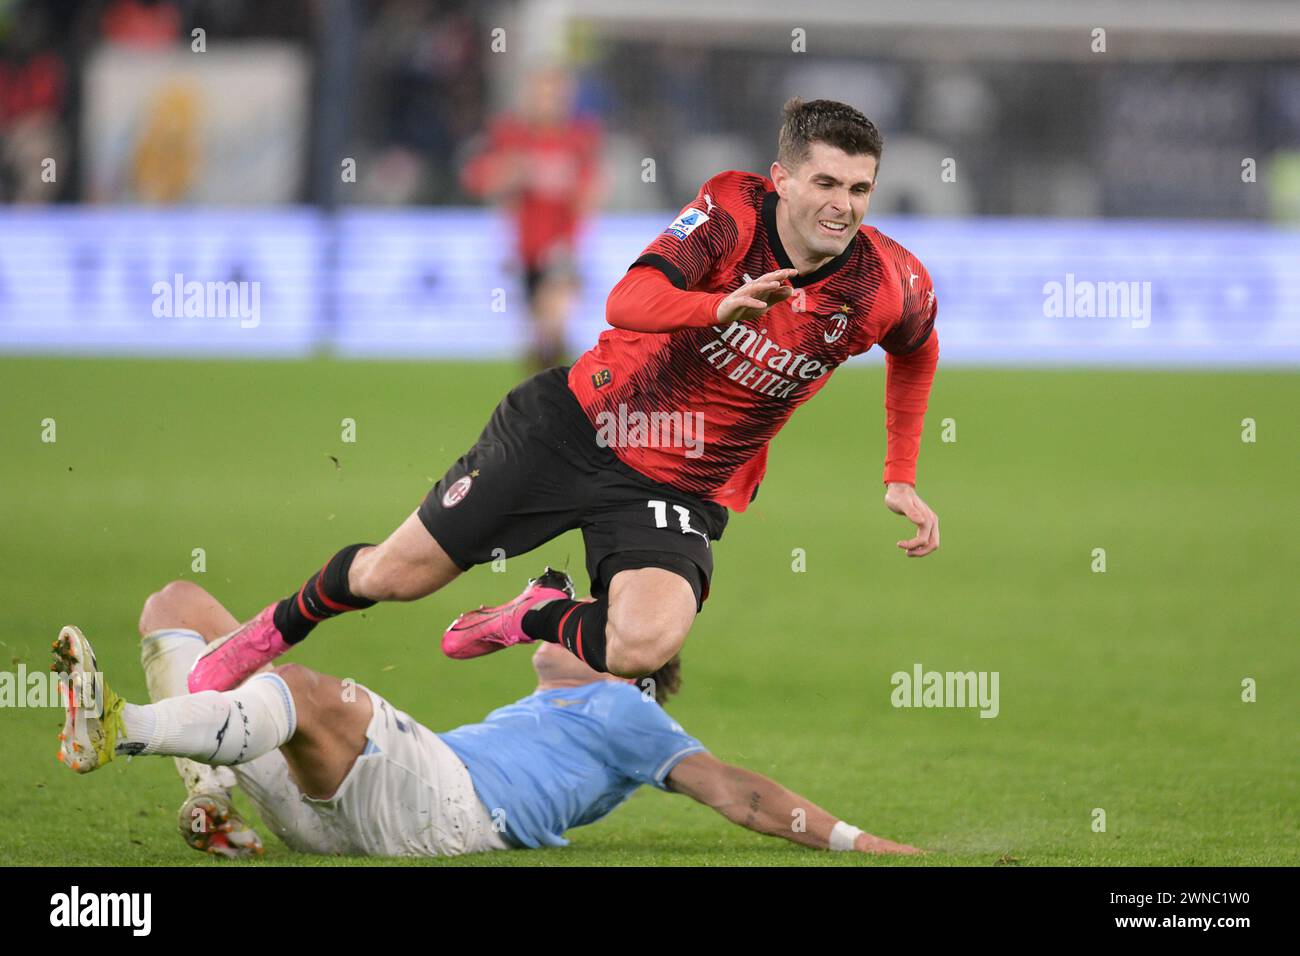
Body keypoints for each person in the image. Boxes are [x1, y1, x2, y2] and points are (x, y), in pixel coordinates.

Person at [186, 95, 941, 695]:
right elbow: (628, 298)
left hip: (682, 481)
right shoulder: (731, 212)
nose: (843, 205)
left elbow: (917, 349)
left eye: (860, 188)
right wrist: (717, 306)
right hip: (577, 426)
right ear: (782, 179)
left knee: (643, 647)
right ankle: (265, 634)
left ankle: (535, 612)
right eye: (826, 183)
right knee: (394, 577)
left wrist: (900, 473)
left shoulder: (886, 283)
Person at [54, 579, 922, 859]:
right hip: (354, 806)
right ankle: (210, 800)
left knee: (317, 693)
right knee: (179, 603)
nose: (563, 623)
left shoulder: (629, 710)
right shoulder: (562, 703)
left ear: (634, 664)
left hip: (449, 811)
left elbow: (739, 794)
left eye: (587, 621)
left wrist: (862, 843)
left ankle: (122, 726)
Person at [461, 64, 604, 371]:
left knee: (554, 320)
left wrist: (577, 194)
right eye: (542, 94)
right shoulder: (510, 136)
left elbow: (592, 191)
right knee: (539, 335)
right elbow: (478, 180)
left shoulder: (581, 137)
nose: (549, 102)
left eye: (555, 95)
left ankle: (559, 386)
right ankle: (546, 389)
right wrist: (510, 175)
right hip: (525, 248)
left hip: (562, 246)